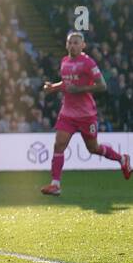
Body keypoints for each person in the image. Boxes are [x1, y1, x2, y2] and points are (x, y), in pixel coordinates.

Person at [39, 31, 131, 195]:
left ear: (83, 45)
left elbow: (102, 85)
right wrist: (53, 87)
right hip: (67, 113)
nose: (73, 45)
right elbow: (67, 83)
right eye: (70, 42)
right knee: (59, 144)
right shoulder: (64, 61)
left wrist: (80, 89)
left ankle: (122, 159)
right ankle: (55, 184)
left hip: (86, 115)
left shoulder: (88, 63)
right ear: (67, 45)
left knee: (93, 148)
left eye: (76, 43)